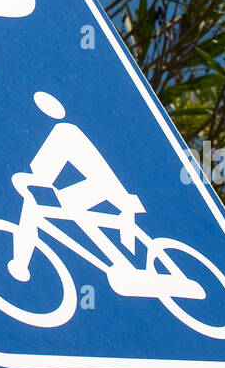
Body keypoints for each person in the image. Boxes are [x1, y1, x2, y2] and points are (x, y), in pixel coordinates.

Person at [7, 90, 144, 283]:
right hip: (104, 192)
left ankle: (20, 265)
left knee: (37, 205)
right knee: (35, 206)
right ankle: (20, 265)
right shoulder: (65, 133)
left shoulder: (66, 133)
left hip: (108, 193)